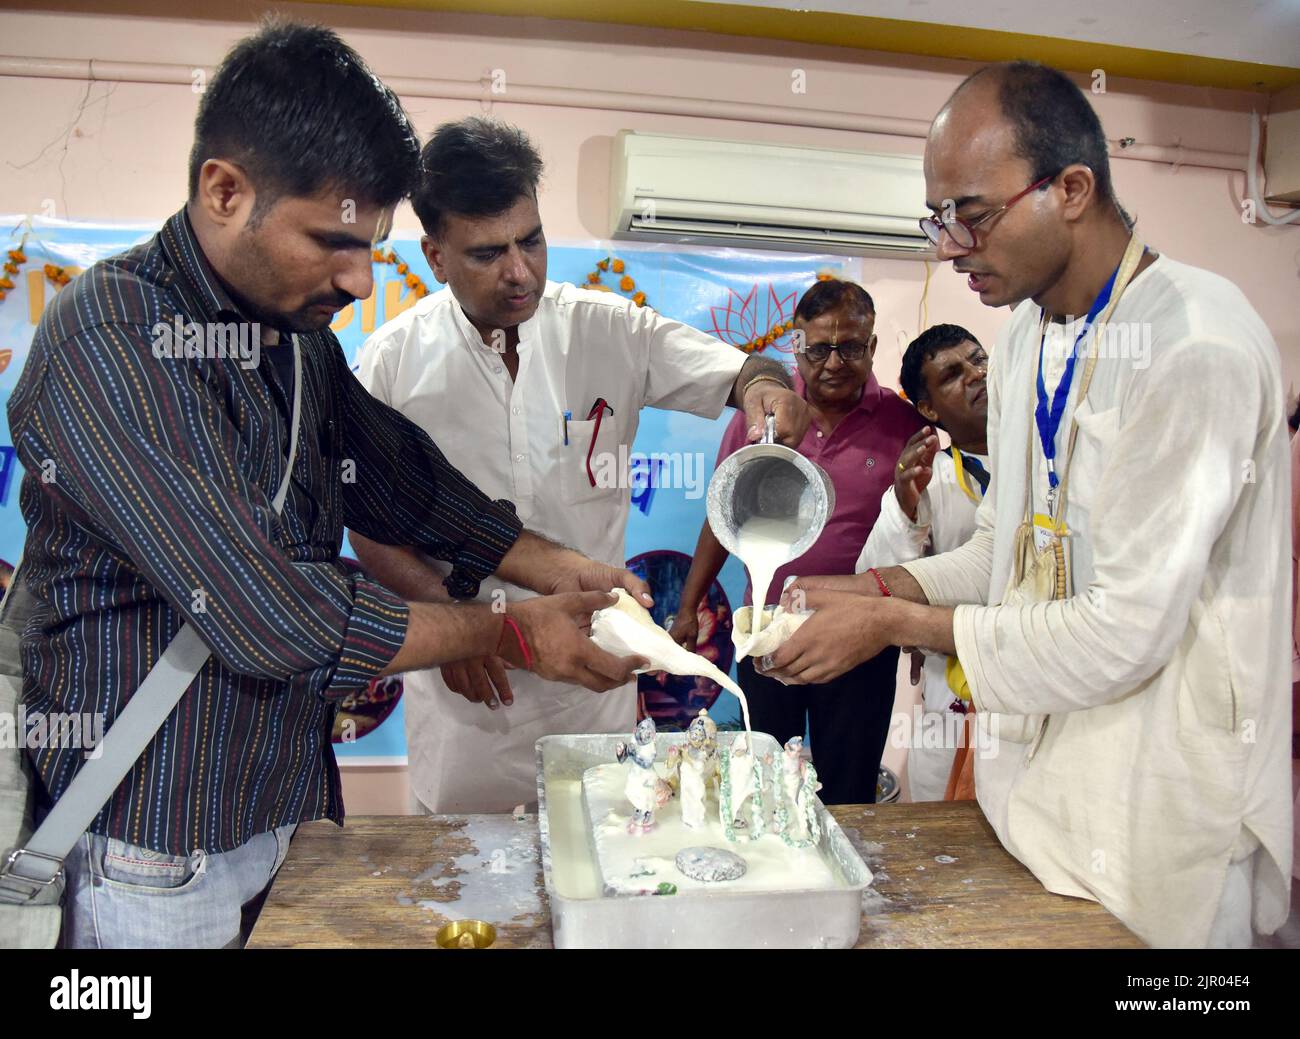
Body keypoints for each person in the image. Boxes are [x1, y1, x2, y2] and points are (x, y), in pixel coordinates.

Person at [1, 22, 649, 949]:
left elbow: (408, 484)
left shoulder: (296, 339)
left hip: (285, 810)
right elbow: (268, 613)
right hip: (150, 843)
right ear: (225, 190)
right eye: (333, 240)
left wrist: (560, 565)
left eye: (373, 244)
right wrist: (509, 631)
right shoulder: (110, 340)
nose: (357, 277)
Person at [767, 61, 1292, 947]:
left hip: (1158, 801)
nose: (950, 248)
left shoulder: (1194, 344)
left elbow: (1124, 628)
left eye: (971, 215)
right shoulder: (1024, 343)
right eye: (939, 220)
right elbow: (1004, 557)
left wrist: (892, 628)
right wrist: (873, 589)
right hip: (1042, 791)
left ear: (1073, 189)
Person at [351, 118, 810, 814]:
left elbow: (746, 371)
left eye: (530, 240)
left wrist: (767, 391)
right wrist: (448, 623)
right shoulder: (391, 364)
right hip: (469, 689)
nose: (520, 270)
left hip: (592, 692)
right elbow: (369, 526)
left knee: (602, 865)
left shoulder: (611, 330)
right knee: (468, 896)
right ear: (435, 256)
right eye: (487, 252)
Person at [670, 279, 924, 805]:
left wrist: (919, 628)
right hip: (767, 631)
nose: (834, 362)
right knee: (765, 780)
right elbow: (723, 517)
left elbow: (925, 532)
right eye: (819, 348)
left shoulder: (904, 424)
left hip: (860, 634)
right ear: (797, 347)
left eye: (850, 347)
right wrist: (689, 607)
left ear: (872, 346)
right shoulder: (763, 419)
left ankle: (847, 882)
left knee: (848, 786)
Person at [856, 324, 989, 801]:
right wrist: (906, 508)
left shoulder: (1046, 459)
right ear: (929, 409)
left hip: (1038, 691)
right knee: (948, 845)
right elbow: (873, 580)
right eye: (954, 374)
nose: (977, 376)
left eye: (979, 360)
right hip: (951, 697)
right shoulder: (927, 481)